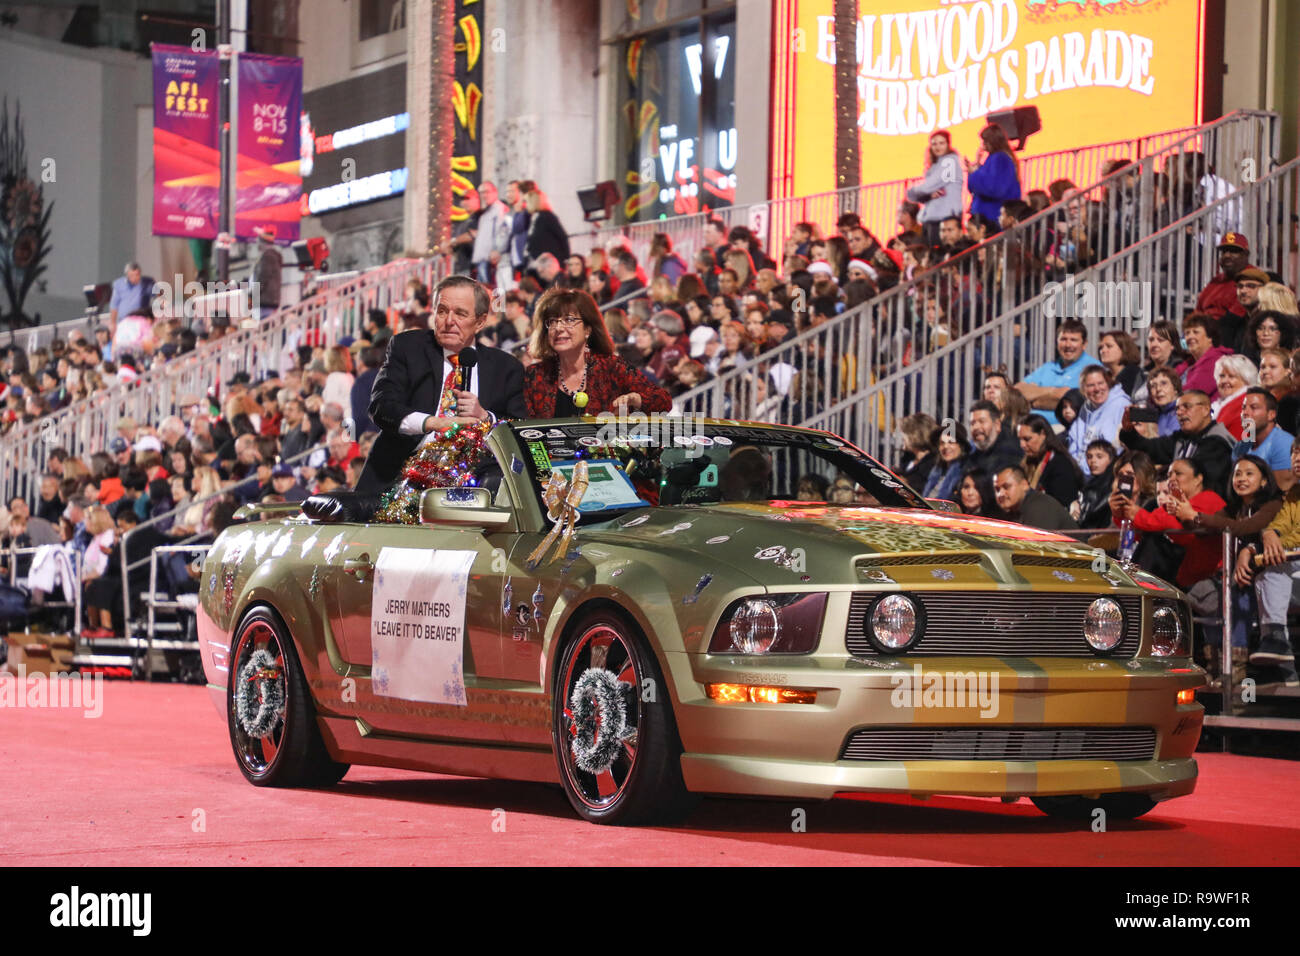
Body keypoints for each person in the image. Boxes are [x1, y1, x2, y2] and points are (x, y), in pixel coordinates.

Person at [358, 275, 527, 492]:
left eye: (460, 313)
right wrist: (434, 423)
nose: (449, 321)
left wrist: (485, 417)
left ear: (481, 321)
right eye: (442, 311)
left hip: (471, 480)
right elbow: (381, 406)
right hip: (400, 477)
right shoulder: (408, 347)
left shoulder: (506, 367)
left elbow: (520, 426)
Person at [523, 288, 671, 417]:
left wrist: (636, 400)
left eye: (568, 320)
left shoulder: (612, 367)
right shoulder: (535, 375)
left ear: (588, 329)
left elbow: (663, 401)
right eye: (552, 321)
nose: (558, 328)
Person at [1238, 440, 1300, 685]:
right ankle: (1286, 668)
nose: (1297, 458)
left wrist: (1274, 540)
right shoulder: (1292, 495)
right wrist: (1265, 536)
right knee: (1266, 578)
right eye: (1295, 451)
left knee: (1271, 573)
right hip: (1294, 570)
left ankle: (1277, 648)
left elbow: (1292, 536)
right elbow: (1280, 525)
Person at [1118, 390, 1235, 496]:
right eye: (1177, 409)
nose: (1179, 412)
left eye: (1186, 407)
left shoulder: (1218, 441)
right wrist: (1129, 431)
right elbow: (1151, 449)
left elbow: (1202, 484)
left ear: (1205, 410)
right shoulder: (1182, 438)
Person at [1014, 320, 1099, 427]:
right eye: (1063, 339)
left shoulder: (1093, 368)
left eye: (1073, 340)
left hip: (1065, 430)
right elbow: (1016, 391)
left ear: (1084, 344)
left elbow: (1077, 405)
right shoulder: (1049, 366)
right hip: (1029, 426)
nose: (1068, 345)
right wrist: (1053, 391)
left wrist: (1033, 400)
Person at [906, 130, 964, 250]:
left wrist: (913, 191)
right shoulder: (935, 166)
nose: (937, 147)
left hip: (944, 220)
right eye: (934, 144)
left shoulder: (950, 162)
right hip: (932, 220)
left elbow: (928, 186)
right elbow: (922, 192)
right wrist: (924, 194)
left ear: (948, 144)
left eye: (941, 143)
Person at [1068, 365, 1130, 470]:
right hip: (1079, 470)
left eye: (1101, 383)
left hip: (1105, 472)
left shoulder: (1121, 405)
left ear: (1108, 384)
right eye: (1091, 385)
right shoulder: (1086, 407)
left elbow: (1113, 450)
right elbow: (1075, 441)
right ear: (1083, 389)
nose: (1097, 389)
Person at [1233, 387, 1295, 491]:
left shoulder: (1284, 444)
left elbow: (1283, 495)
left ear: (1271, 414)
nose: (1245, 413)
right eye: (1244, 407)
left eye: (1254, 407)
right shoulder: (1240, 447)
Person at [965, 124, 1021, 234]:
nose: (983, 145)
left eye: (985, 141)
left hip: (992, 218)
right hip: (990, 217)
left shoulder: (1000, 158)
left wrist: (974, 173)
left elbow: (994, 188)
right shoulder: (997, 158)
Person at [1017, 413, 1081, 507]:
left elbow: (1060, 505)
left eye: (1027, 439)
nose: (1022, 445)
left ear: (1043, 434)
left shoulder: (1060, 465)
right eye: (1020, 439)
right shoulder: (1028, 461)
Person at [994, 465, 1079, 530]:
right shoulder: (1011, 512)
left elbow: (1036, 548)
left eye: (1006, 487)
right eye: (997, 489)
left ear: (1024, 485)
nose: (1000, 494)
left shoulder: (1040, 505)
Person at [1194, 232, 1251, 329]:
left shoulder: (1252, 278)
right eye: (1224, 251)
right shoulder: (1216, 280)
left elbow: (1234, 318)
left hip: (1230, 333)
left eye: (1233, 251)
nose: (1227, 255)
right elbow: (1198, 311)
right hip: (1205, 331)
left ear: (1245, 255)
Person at [1179, 312, 1234, 400]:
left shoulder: (1216, 360)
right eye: (1187, 333)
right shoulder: (1188, 363)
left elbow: (1193, 392)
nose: (1190, 337)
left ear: (1210, 337)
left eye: (1195, 332)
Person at [965, 400, 1021, 477]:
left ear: (997, 425)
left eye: (982, 421)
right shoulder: (971, 454)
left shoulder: (1011, 453)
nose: (976, 427)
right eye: (972, 423)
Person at [1073, 439, 1116, 528]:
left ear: (1111, 459)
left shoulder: (1113, 484)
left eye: (1099, 457)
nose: (1093, 461)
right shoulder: (1088, 484)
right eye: (1089, 457)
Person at [923, 421, 969, 502]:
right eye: (942, 443)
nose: (945, 446)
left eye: (951, 442)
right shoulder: (935, 471)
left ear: (961, 446)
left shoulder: (965, 473)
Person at [523, 189, 570, 269]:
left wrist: (566, 259)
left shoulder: (547, 217)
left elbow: (562, 236)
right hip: (537, 263)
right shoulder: (534, 217)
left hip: (549, 264)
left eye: (526, 202)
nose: (524, 205)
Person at [108, 261, 154, 333]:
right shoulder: (118, 284)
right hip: (124, 323)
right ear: (127, 275)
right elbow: (114, 305)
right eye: (132, 275)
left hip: (141, 322)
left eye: (137, 274)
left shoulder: (147, 283)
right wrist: (112, 323)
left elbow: (159, 295)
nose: (135, 277)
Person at [252, 226, 283, 319]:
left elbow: (262, 277)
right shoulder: (272, 255)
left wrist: (253, 294)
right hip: (268, 300)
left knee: (263, 326)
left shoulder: (267, 256)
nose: (257, 242)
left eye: (258, 239)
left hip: (265, 300)